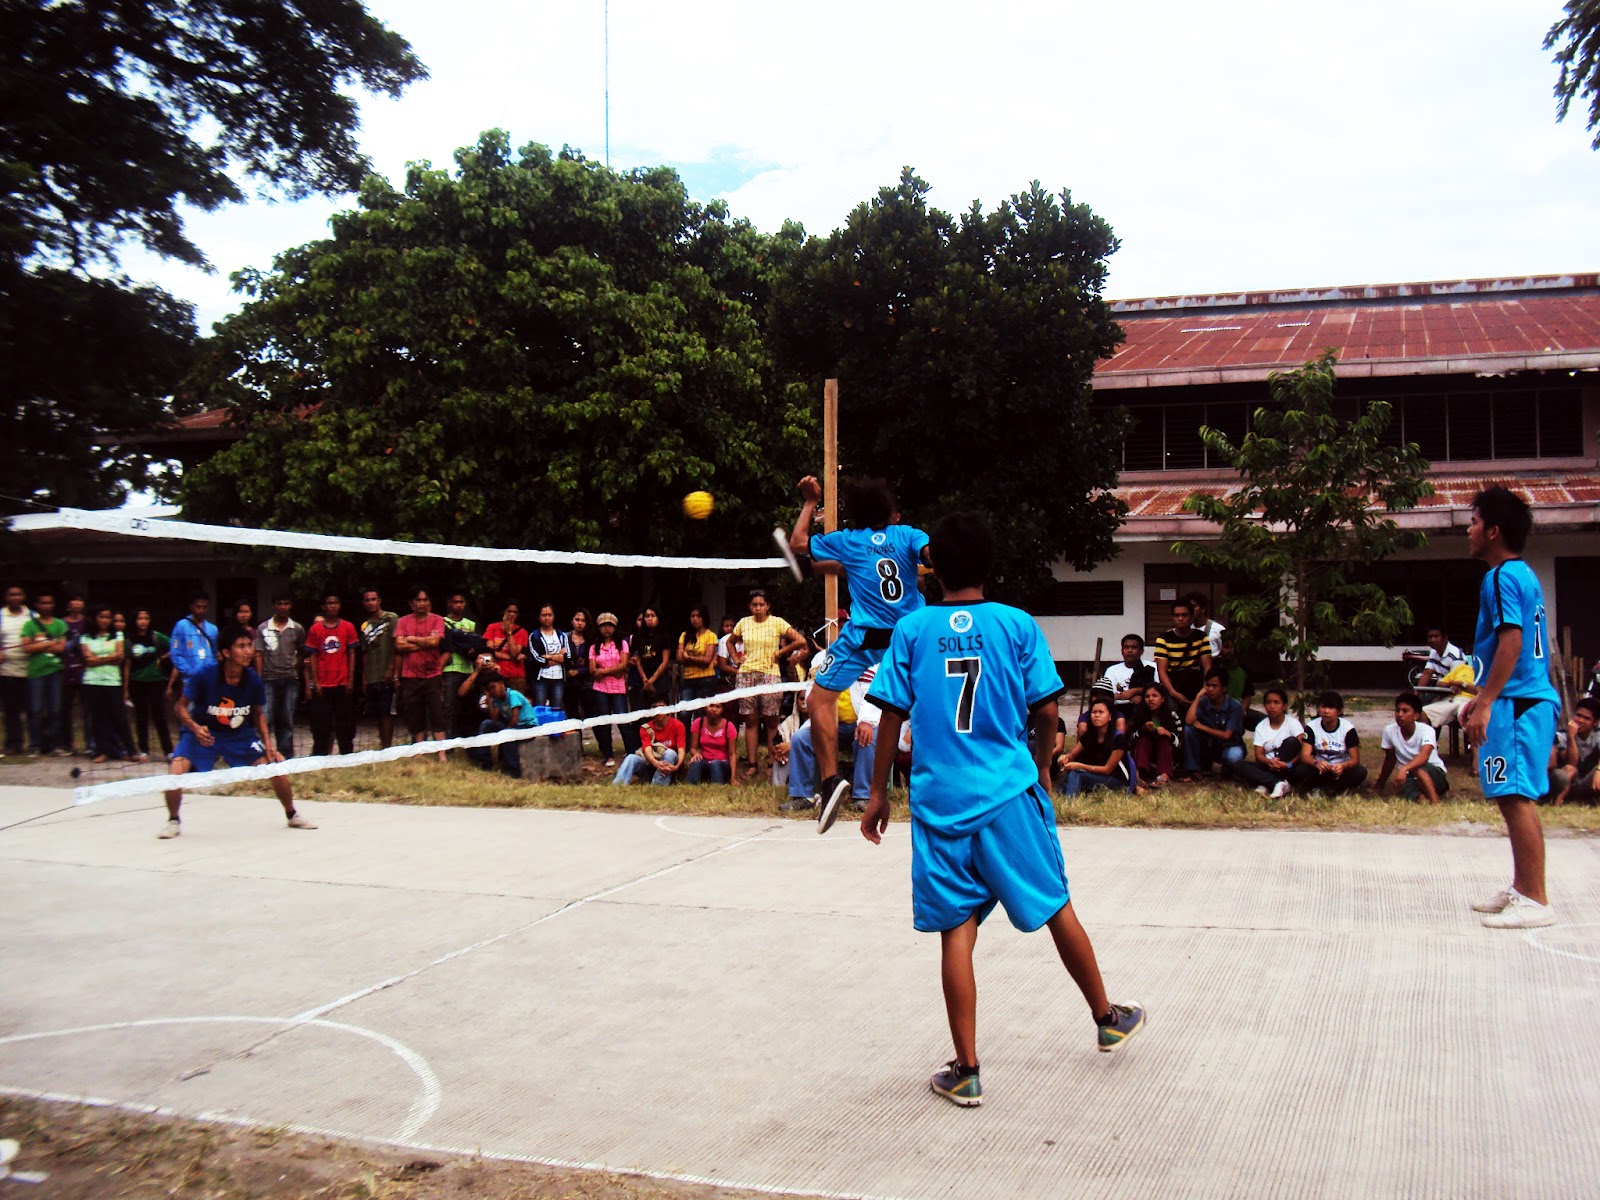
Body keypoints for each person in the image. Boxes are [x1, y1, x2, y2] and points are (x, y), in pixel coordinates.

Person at [860, 511, 1144, 1107]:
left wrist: (881, 791)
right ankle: (1106, 1015)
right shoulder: (1015, 624)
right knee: (1055, 905)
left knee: (955, 933)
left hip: (940, 804)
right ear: (990, 565)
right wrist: (1041, 765)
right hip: (1007, 793)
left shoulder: (911, 630)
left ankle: (966, 1070)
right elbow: (1046, 710)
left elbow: (889, 714)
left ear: (931, 567)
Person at [789, 474, 931, 829]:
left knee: (819, 699)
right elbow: (932, 555)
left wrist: (809, 502)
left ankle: (830, 780)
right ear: (890, 512)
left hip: (865, 635)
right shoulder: (909, 535)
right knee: (923, 705)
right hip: (909, 636)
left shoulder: (849, 541)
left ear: (855, 515)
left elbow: (798, 542)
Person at [1461, 485, 1561, 928]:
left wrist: (1486, 703)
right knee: (1509, 796)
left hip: (1519, 702)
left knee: (1517, 797)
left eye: (1475, 521)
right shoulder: (1524, 574)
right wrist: (1481, 700)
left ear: (1494, 530)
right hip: (1518, 699)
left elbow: (1511, 642)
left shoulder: (1501, 577)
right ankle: (1521, 889)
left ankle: (1535, 900)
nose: (1470, 529)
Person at [160, 627, 315, 838]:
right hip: (204, 733)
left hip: (239, 735)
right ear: (225, 652)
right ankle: (173, 820)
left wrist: (269, 745)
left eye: (249, 645)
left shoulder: (252, 679)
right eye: (241, 646)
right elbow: (180, 707)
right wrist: (195, 729)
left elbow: (259, 714)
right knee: (174, 774)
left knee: (276, 767)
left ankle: (292, 814)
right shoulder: (204, 675)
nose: (248, 651)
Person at [784, 663, 881, 814]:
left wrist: (867, 721)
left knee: (867, 737)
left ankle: (863, 796)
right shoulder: (824, 660)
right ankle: (802, 796)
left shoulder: (868, 661)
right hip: (830, 723)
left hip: (860, 721)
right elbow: (812, 694)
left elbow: (872, 695)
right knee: (800, 739)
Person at [733, 589, 806, 783]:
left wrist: (781, 653)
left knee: (772, 719)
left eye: (761, 604)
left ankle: (773, 762)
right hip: (746, 674)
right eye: (754, 605)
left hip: (770, 674)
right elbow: (731, 642)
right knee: (750, 720)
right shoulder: (743, 623)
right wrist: (736, 658)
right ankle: (752, 764)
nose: (758, 608)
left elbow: (800, 640)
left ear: (768, 606)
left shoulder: (777, 622)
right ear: (750, 607)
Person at [394, 584, 447, 761]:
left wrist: (412, 639)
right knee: (415, 714)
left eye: (425, 600)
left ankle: (441, 753)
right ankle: (419, 751)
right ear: (411, 603)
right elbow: (399, 645)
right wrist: (424, 642)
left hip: (432, 674)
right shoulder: (403, 621)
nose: (422, 603)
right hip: (410, 675)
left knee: (437, 714)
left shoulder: (438, 620)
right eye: (418, 600)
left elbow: (435, 642)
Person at [305, 592, 358, 756]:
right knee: (322, 725)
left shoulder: (348, 627)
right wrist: (316, 682)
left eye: (336, 603)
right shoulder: (315, 629)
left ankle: (347, 757)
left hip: (342, 683)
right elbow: (312, 656)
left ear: (339, 605)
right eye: (329, 603)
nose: (333, 606)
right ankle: (321, 757)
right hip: (323, 684)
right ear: (323, 607)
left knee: (345, 724)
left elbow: (351, 654)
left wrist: (350, 680)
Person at [254, 594, 304, 759]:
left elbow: (302, 652)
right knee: (266, 717)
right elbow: (259, 654)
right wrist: (259, 679)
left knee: (286, 719)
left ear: (290, 605)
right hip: (268, 679)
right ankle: (264, 754)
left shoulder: (297, 628)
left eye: (286, 603)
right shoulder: (263, 628)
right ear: (273, 606)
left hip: (290, 679)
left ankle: (285, 756)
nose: (283, 607)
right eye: (279, 603)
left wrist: (295, 669)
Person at [1229, 687, 1303, 799]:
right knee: (1239, 765)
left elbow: (1302, 749)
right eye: (1268, 702)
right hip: (1268, 766)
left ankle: (1265, 782)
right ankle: (1276, 783)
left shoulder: (1293, 724)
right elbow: (1259, 755)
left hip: (1286, 767)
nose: (1272, 706)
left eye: (1276, 702)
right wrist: (1270, 762)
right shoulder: (1261, 726)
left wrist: (1287, 764)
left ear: (1284, 706)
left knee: (1291, 742)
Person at [80, 605, 132, 761]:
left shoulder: (118, 635)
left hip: (113, 681)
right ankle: (101, 751)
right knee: (97, 717)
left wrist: (98, 659)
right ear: (95, 618)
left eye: (108, 617)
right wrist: (109, 658)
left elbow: (120, 657)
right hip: (92, 680)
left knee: (120, 716)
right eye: (102, 616)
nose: (105, 620)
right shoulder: (86, 637)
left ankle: (131, 751)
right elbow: (87, 660)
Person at [1290, 690, 1368, 795]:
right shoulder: (1311, 727)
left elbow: (1355, 759)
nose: (1326, 711)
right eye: (1323, 707)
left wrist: (1343, 766)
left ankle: (1327, 789)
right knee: (1300, 770)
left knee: (1360, 772)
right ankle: (1331, 789)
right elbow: (1305, 756)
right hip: (1319, 769)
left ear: (1339, 711)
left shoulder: (1348, 729)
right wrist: (1316, 763)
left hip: (1340, 769)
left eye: (1331, 708)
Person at [1055, 696, 1134, 797]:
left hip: (1116, 780)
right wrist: (1065, 758)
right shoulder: (1089, 736)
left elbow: (1107, 770)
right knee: (1072, 773)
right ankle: (1060, 794)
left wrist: (1079, 766)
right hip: (1096, 777)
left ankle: (1069, 801)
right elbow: (1073, 755)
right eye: (1094, 712)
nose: (1096, 715)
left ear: (1110, 716)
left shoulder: (1118, 739)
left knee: (1076, 773)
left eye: (1101, 712)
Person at [1377, 692, 1448, 803]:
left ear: (1415, 715)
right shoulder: (1389, 731)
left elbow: (1424, 757)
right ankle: (1423, 798)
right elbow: (1390, 759)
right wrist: (1380, 784)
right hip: (1409, 777)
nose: (1400, 714)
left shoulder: (1427, 730)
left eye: (1405, 711)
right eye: (1397, 710)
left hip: (1433, 773)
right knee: (1419, 799)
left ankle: (1435, 803)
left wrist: (1404, 768)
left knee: (1417, 768)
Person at [21, 591, 68, 756]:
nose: (46, 606)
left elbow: (62, 648)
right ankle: (35, 745)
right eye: (43, 603)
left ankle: (55, 745)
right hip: (36, 672)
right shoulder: (30, 625)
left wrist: (40, 643)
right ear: (37, 605)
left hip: (55, 670)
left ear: (53, 605)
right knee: (35, 709)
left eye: (49, 602)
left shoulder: (60, 624)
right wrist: (50, 643)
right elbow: (27, 648)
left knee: (55, 709)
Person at [467, 668, 536, 777]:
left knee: (507, 736)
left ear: (501, 683)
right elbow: (494, 718)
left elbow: (515, 718)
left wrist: (505, 731)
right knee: (486, 725)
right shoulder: (497, 699)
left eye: (494, 687)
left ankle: (514, 771)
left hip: (526, 726)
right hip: (512, 726)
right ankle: (485, 762)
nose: (493, 691)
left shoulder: (512, 695)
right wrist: (489, 699)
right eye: (490, 690)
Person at [125, 609, 173, 761]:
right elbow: (127, 665)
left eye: (146, 618)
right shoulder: (129, 640)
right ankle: (144, 750)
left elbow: (175, 647)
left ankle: (168, 751)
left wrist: (162, 658)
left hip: (155, 681)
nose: (143, 621)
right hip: (137, 681)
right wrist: (125, 688)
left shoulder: (156, 637)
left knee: (159, 716)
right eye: (140, 618)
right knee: (141, 717)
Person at [1181, 669, 1245, 780]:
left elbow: (1227, 735)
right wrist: (1197, 698)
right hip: (1209, 745)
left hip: (1230, 745)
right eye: (1208, 685)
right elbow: (1189, 721)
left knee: (1233, 756)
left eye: (1214, 686)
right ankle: (1194, 770)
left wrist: (1201, 726)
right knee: (1188, 730)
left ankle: (1227, 769)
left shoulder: (1234, 706)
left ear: (1224, 688)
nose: (1210, 689)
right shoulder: (1203, 701)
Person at [624, 606, 672, 753]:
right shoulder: (638, 637)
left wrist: (652, 680)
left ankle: (663, 745)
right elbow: (637, 659)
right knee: (640, 714)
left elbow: (665, 661)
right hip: (643, 680)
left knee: (660, 713)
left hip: (660, 679)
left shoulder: (664, 637)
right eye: (647, 616)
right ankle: (638, 747)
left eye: (653, 616)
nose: (649, 619)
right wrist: (645, 679)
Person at [587, 613, 631, 768]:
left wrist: (603, 672)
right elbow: (592, 669)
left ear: (615, 627)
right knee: (604, 722)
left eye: (610, 625)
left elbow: (624, 665)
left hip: (618, 688)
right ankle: (608, 755)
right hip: (600, 689)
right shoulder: (594, 647)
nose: (607, 628)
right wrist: (613, 670)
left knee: (623, 721)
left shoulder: (622, 645)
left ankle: (630, 752)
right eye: (604, 625)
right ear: (599, 628)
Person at [611, 694, 685, 785]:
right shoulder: (645, 728)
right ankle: (618, 784)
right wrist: (656, 763)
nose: (658, 711)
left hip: (670, 764)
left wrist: (677, 766)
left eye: (662, 707)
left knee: (670, 753)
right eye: (654, 707)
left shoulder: (678, 725)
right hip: (651, 764)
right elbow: (647, 749)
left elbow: (681, 749)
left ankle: (658, 785)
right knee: (631, 757)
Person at [358, 587, 399, 749]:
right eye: (367, 600)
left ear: (379, 601)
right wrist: (364, 677)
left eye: (373, 599)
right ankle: (382, 746)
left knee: (387, 712)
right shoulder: (365, 626)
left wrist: (391, 669)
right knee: (377, 713)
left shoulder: (391, 619)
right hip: (372, 675)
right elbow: (365, 652)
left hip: (387, 674)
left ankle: (388, 747)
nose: (370, 603)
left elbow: (396, 645)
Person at [1154, 599, 1211, 713]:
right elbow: (1162, 671)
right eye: (1177, 615)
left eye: (1184, 615)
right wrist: (1173, 693)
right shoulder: (1163, 639)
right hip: (1174, 686)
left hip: (1196, 685)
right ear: (1172, 617)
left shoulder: (1201, 637)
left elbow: (1207, 667)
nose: (1180, 619)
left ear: (1191, 617)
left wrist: (1204, 690)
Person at [1416, 625, 1475, 734]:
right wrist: (1416, 694)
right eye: (1430, 637)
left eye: (1436, 636)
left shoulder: (1456, 657)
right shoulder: (1434, 652)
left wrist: (1457, 684)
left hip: (1462, 697)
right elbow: (1428, 673)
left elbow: (1460, 687)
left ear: (1445, 638)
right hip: (1448, 694)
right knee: (1420, 708)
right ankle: (1429, 743)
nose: (1432, 639)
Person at [1096, 634, 1157, 729]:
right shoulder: (1112, 670)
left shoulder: (1151, 667)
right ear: (1122, 651)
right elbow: (1108, 696)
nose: (1129, 651)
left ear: (1141, 651)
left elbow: (1159, 690)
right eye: (1126, 647)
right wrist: (1129, 698)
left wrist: (1136, 691)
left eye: (1134, 647)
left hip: (1147, 708)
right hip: (1120, 709)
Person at [1547, 697, 1600, 805]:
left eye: (1586, 718)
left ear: (1595, 723)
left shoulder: (1597, 735)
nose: (1580, 720)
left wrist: (1598, 770)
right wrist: (1571, 738)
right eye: (1578, 715)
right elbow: (1571, 763)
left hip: (1589, 783)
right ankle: (1556, 804)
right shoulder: (1561, 736)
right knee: (1570, 769)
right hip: (1567, 785)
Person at [441, 590, 479, 739]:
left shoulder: (470, 624)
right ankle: (448, 740)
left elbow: (474, 644)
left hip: (468, 668)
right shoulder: (442, 622)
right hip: (451, 667)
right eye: (455, 602)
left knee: (468, 705)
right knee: (449, 706)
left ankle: (466, 738)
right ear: (450, 604)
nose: (458, 605)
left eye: (461, 602)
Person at [167, 592, 218, 700]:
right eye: (198, 607)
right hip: (189, 680)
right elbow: (175, 653)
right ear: (191, 607)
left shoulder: (212, 629)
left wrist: (211, 670)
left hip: (208, 679)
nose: (201, 610)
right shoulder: (181, 625)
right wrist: (189, 671)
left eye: (204, 607)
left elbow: (215, 653)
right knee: (188, 713)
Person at [0, 585, 32, 756]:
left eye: (18, 594)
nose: (15, 597)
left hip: (31, 671)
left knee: (33, 710)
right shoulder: (1, 616)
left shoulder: (33, 616)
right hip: (7, 671)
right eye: (11, 594)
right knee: (11, 710)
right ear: (6, 597)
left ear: (23, 596)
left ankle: (36, 744)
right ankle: (14, 743)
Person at [1129, 684, 1181, 787]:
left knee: (1163, 739)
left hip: (1166, 756)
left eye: (1155, 696)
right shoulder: (1138, 714)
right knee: (1144, 739)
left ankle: (1164, 775)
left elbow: (1179, 744)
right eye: (1147, 696)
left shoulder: (1172, 715)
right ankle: (1138, 775)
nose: (1151, 699)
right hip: (1145, 757)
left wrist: (1169, 734)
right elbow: (1130, 741)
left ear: (1162, 699)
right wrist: (1142, 730)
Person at [527, 604, 570, 711]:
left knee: (557, 709)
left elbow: (567, 657)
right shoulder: (534, 636)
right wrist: (558, 657)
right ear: (539, 617)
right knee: (539, 708)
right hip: (541, 678)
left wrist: (549, 657)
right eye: (544, 615)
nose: (547, 618)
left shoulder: (561, 635)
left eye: (549, 615)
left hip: (558, 678)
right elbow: (537, 659)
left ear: (554, 616)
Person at [485, 599, 529, 700]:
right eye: (509, 611)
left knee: (516, 704)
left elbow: (514, 653)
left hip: (516, 675)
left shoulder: (522, 632)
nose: (512, 614)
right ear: (504, 612)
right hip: (497, 674)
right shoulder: (492, 627)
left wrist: (509, 632)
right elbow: (490, 651)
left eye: (515, 612)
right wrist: (510, 657)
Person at [684, 700, 736, 784]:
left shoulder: (728, 726)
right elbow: (693, 748)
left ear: (722, 709)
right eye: (711, 706)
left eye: (718, 707)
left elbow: (732, 754)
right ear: (705, 707)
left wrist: (733, 778)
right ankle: (690, 786)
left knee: (715, 763)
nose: (714, 709)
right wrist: (696, 754)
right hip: (705, 761)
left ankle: (716, 787)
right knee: (695, 761)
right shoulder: (698, 723)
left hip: (722, 763)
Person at [676, 606, 720, 705]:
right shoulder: (684, 635)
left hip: (706, 678)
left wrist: (688, 658)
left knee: (702, 710)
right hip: (688, 678)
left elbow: (707, 660)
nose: (695, 619)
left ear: (704, 617)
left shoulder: (711, 636)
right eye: (692, 616)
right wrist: (698, 659)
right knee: (684, 712)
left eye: (698, 616)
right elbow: (679, 657)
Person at [60, 595, 86, 753]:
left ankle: (90, 744)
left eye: (79, 600)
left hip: (84, 671)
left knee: (88, 709)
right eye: (73, 600)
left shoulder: (88, 622)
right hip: (65, 670)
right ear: (68, 604)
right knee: (64, 709)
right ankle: (67, 744)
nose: (76, 603)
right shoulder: (61, 623)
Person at [565, 608, 593, 745]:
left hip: (586, 682)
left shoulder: (591, 640)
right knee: (572, 715)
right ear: (572, 621)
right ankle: (576, 746)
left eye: (583, 620)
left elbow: (595, 663)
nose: (580, 623)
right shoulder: (564, 638)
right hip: (568, 682)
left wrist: (579, 671)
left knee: (592, 714)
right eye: (577, 619)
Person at [1187, 592, 1226, 659]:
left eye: (1194, 606)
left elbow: (1226, 651)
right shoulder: (1187, 629)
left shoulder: (1218, 629)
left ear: (1203, 609)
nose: (1191, 610)